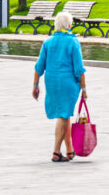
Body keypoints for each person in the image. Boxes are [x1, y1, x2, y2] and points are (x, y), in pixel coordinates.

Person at [32, 10, 87, 162]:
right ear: (69, 25)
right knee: (64, 115)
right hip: (68, 83)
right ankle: (56, 151)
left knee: (65, 114)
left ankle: (70, 150)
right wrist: (84, 89)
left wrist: (35, 86)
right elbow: (79, 68)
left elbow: (39, 66)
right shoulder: (72, 42)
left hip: (51, 83)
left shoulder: (48, 42)